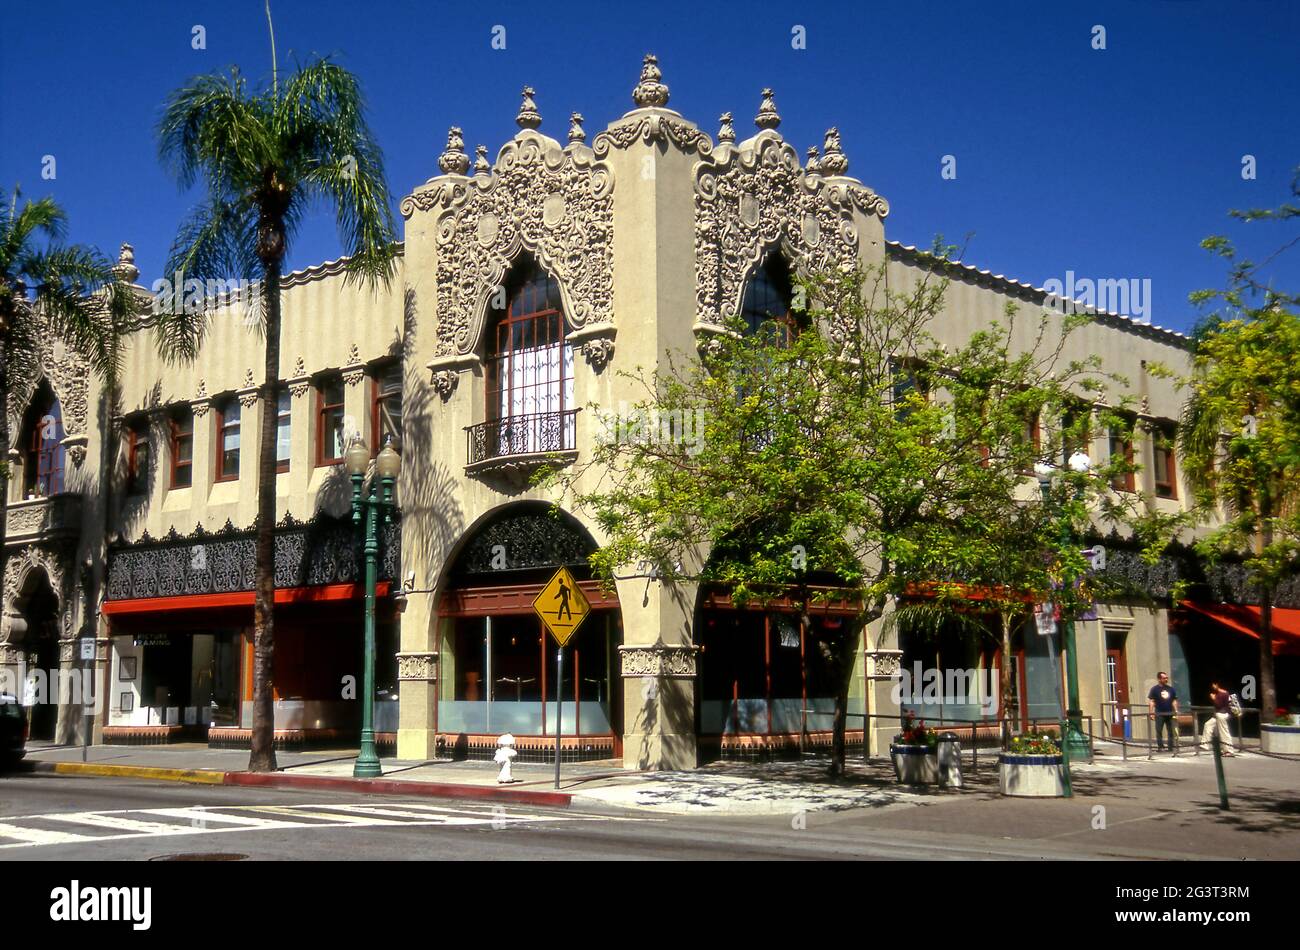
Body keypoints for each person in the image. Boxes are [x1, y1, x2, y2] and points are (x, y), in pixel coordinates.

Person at [1200, 681, 1236, 755]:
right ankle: (1205, 744)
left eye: (1213, 685)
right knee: (1208, 725)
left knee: (1224, 732)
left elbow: (1219, 705)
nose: (1212, 687)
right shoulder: (1221, 693)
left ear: (1217, 685)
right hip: (1217, 715)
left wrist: (1213, 698)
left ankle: (1229, 750)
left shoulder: (1223, 693)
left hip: (1222, 715)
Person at [1147, 672, 1179, 752]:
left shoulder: (1171, 689)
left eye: (1166, 678)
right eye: (1164, 678)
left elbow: (1174, 701)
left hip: (1169, 713)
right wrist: (1151, 713)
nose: (1166, 679)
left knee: (1170, 731)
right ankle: (1160, 746)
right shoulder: (1154, 689)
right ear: (1159, 679)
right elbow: (1152, 701)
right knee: (1159, 730)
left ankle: (1170, 747)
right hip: (1159, 713)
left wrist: (1176, 711)